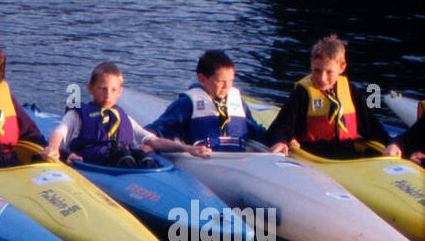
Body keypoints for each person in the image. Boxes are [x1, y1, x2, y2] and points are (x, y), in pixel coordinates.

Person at [263, 35, 402, 159]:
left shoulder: (350, 91)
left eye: (329, 72)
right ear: (311, 64)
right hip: (313, 153)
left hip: (346, 151)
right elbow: (281, 126)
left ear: (342, 67)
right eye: (317, 70)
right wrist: (279, 141)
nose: (322, 78)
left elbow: (371, 127)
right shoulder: (303, 93)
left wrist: (393, 145)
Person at [44, 62, 206, 166]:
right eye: (102, 89)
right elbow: (59, 134)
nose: (108, 95)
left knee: (143, 157)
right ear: (90, 89)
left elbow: (154, 140)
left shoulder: (124, 117)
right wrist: (53, 147)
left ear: (119, 92)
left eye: (113, 90)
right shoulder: (77, 115)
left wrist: (186, 148)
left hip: (123, 161)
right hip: (93, 163)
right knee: (124, 157)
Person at [144, 49, 279, 153]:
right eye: (221, 81)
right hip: (206, 160)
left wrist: (279, 140)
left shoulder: (238, 103)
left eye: (231, 81)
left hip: (238, 160)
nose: (227, 86)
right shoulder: (187, 104)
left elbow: (255, 131)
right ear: (202, 79)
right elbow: (155, 130)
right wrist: (148, 144)